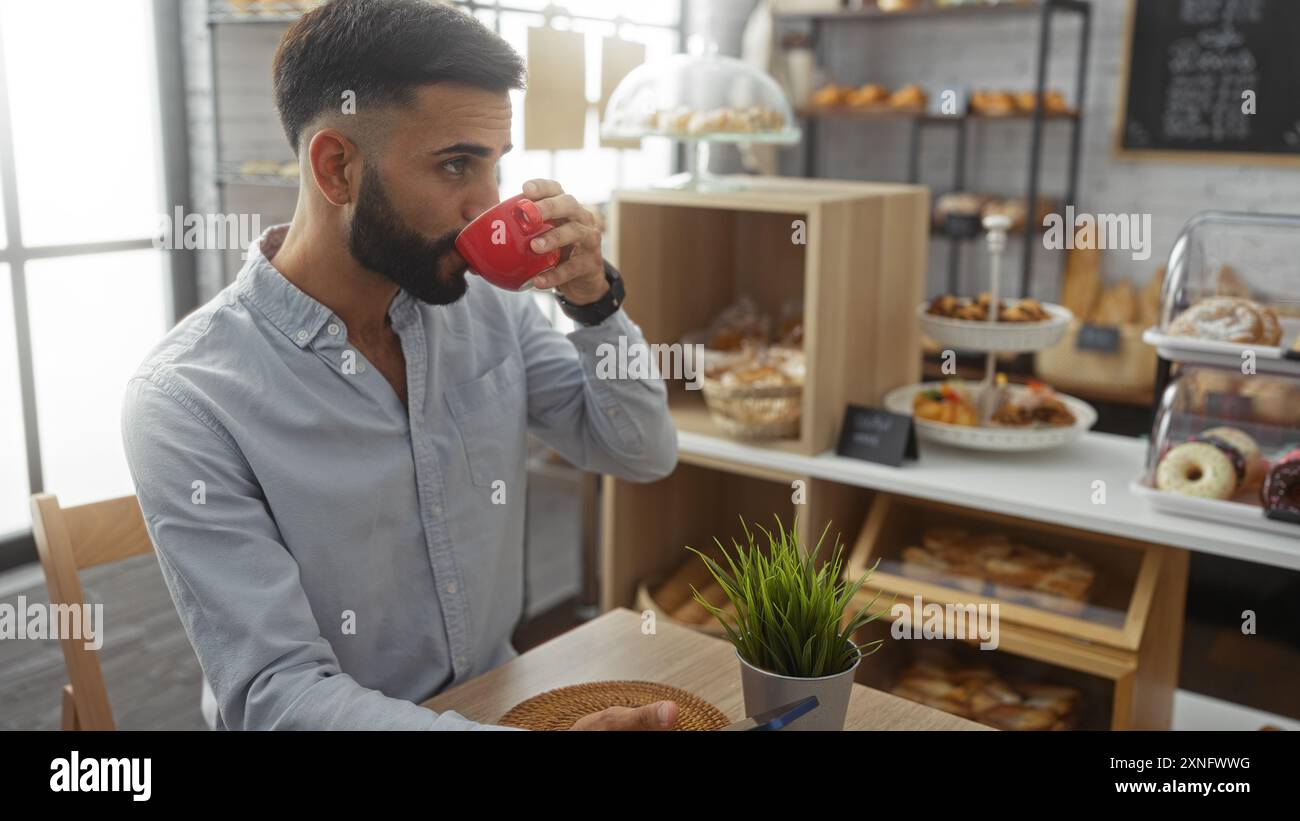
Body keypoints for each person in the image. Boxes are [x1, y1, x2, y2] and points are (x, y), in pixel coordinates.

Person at [122, 0, 678, 730]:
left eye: (495, 168)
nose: (488, 207)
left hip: (499, 700)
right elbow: (278, 694)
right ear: (336, 167)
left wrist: (594, 301)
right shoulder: (189, 399)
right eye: (456, 165)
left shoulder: (487, 308)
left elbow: (638, 452)